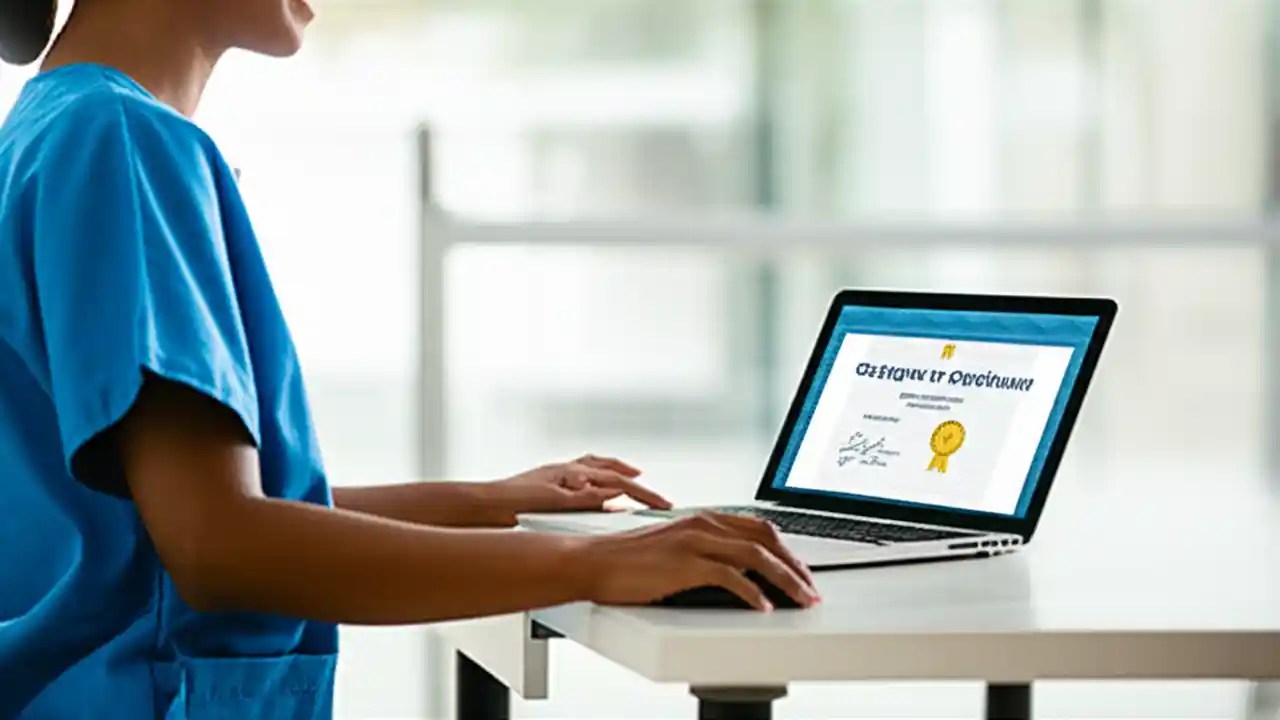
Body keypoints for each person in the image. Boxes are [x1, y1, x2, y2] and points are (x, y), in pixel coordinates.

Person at [0, 0, 821, 717]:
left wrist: (488, 501)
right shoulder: (122, 141)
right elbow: (219, 548)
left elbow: (164, 519)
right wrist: (591, 563)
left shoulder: (60, 125)